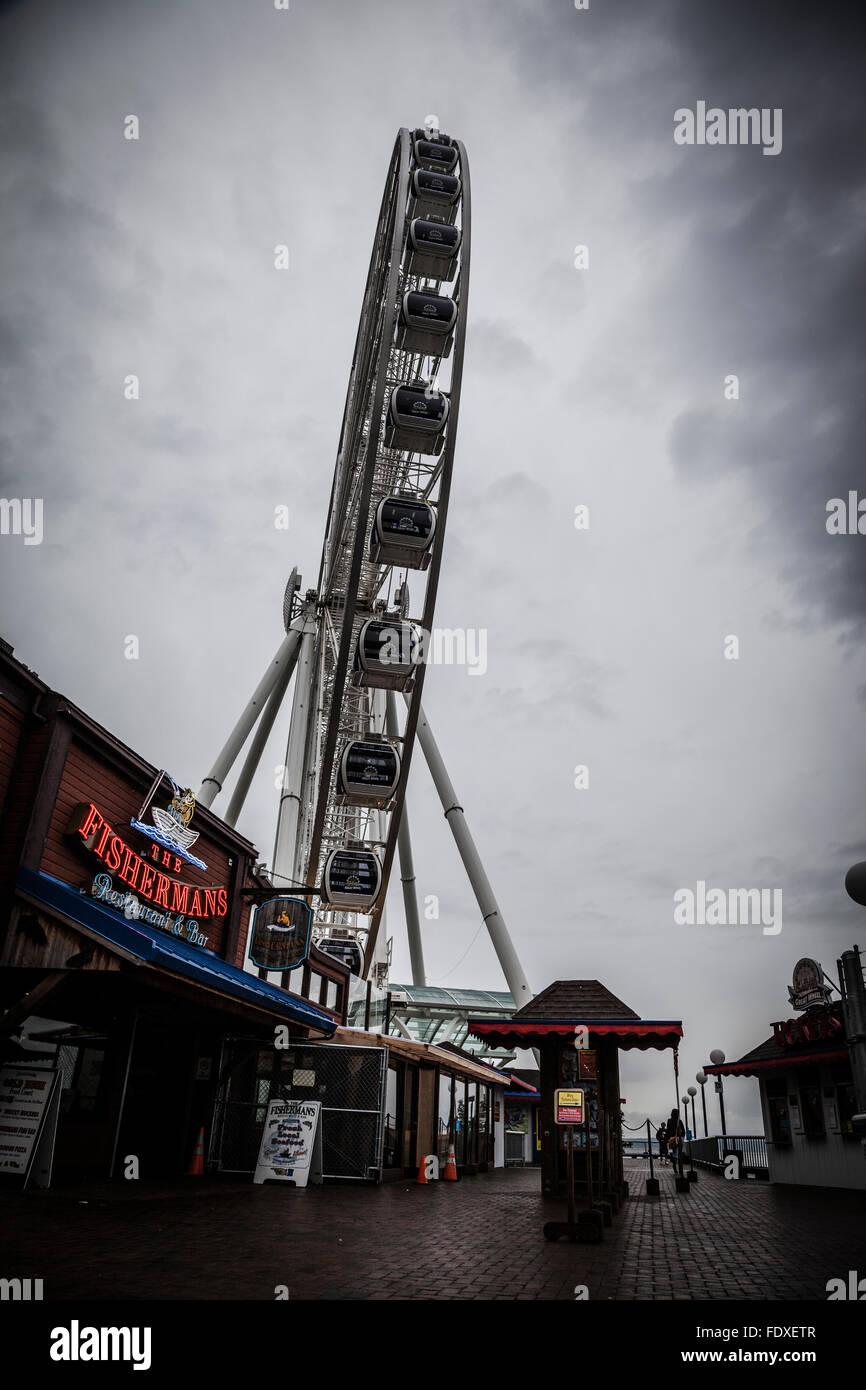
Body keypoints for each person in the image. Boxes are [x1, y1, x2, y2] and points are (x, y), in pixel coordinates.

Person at [667, 1107, 686, 1176]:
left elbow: (668, 1131)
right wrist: (682, 1138)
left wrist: (668, 1139)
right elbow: (683, 1131)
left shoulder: (669, 1120)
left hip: (673, 1138)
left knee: (675, 1153)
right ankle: (680, 1169)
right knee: (680, 1153)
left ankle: (675, 1167)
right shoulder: (679, 1121)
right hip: (680, 1138)